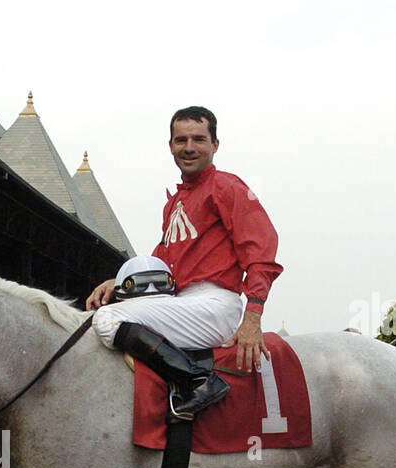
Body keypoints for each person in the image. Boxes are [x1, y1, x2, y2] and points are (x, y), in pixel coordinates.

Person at [85, 106, 283, 417]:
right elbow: (161, 260)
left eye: (199, 139)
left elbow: (261, 252)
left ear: (215, 145)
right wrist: (118, 281)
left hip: (214, 305)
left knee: (107, 321)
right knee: (106, 313)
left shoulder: (227, 186)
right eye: (181, 140)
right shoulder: (177, 201)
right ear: (170, 146)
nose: (189, 148)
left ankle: (198, 381)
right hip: (183, 303)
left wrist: (253, 318)